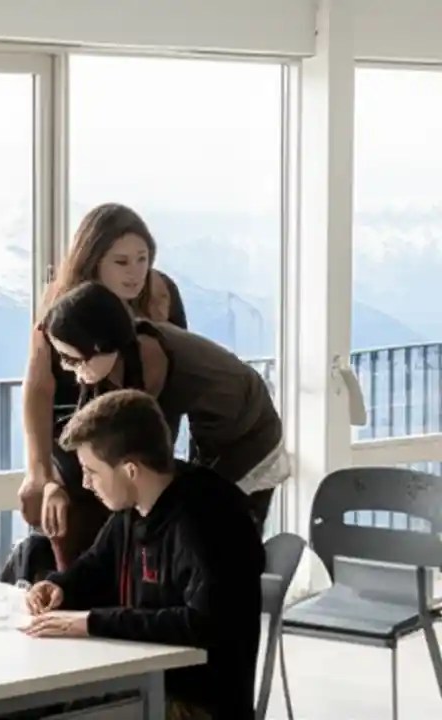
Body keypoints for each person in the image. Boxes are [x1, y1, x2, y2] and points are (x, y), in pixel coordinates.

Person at [22, 389, 264, 720]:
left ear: (130, 470)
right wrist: (60, 587)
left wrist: (92, 623)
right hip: (141, 680)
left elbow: (203, 624)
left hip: (194, 703)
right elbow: (96, 566)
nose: (86, 483)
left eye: (92, 472)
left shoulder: (209, 519)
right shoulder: (133, 507)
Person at [20, 203, 189, 572]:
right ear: (93, 260)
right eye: (121, 262)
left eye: (142, 259)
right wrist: (40, 474)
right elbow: (38, 389)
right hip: (76, 452)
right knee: (80, 561)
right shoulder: (59, 300)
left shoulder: (160, 295)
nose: (134, 273)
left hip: (136, 452)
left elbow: (170, 387)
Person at [43, 282, 288, 534]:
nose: (65, 366)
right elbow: (85, 434)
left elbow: (148, 457)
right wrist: (55, 482)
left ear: (99, 345)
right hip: (216, 426)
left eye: (71, 359)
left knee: (218, 526)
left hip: (248, 431)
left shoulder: (150, 363)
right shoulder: (118, 357)